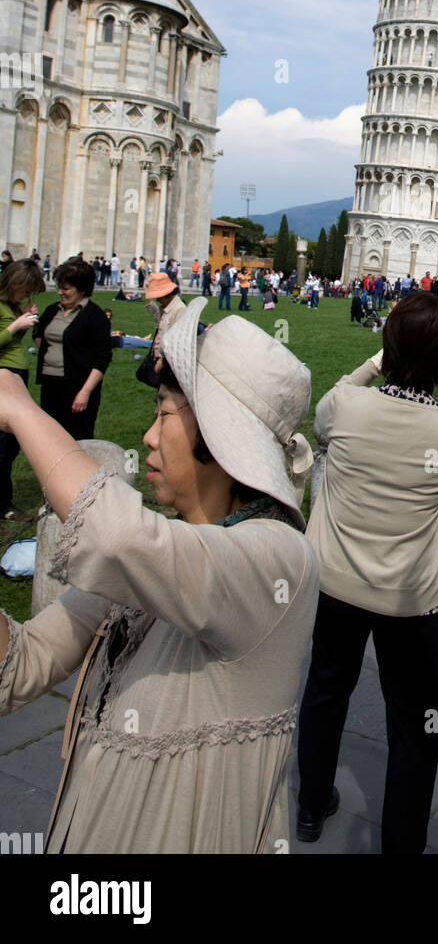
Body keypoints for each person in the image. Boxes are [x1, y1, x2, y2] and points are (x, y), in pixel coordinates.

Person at [0, 298, 318, 852]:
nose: (148, 436)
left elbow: (117, 535)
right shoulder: (155, 566)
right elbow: (20, 667)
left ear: (219, 440)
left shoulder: (278, 558)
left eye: (164, 414)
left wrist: (20, 408)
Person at [296, 293, 438, 853]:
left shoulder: (346, 407)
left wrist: (379, 360)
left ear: (389, 347)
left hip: (336, 583)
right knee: (416, 725)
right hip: (411, 597)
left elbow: (332, 405)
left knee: (326, 690)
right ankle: (402, 843)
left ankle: (309, 806)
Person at [32, 258, 112, 442]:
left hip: (77, 386)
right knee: (50, 438)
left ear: (82, 289)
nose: (60, 292)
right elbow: (39, 335)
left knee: (77, 439)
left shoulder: (95, 317)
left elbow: (103, 358)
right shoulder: (53, 310)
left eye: (66, 288)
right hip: (50, 384)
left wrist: (84, 392)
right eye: (60, 287)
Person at [0, 258, 44, 517]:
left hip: (15, 375)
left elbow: (13, 343)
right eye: (26, 290)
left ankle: (4, 501)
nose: (27, 294)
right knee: (5, 443)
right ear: (15, 283)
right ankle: (3, 504)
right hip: (5, 376)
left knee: (10, 442)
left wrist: (24, 318)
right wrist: (16, 325)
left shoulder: (10, 306)